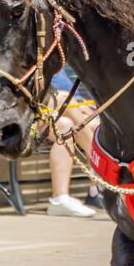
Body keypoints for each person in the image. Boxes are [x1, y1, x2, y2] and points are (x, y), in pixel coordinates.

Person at [45, 68, 104, 218]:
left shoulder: (56, 61)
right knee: (65, 100)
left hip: (64, 115)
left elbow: (74, 97)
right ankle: (103, 174)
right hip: (36, 118)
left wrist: (80, 106)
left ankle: (96, 192)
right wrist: (76, 106)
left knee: (93, 126)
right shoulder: (27, 58)